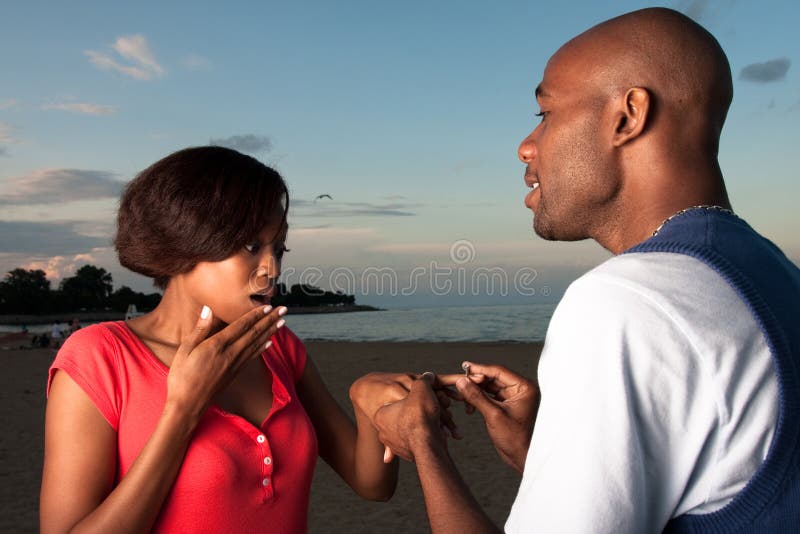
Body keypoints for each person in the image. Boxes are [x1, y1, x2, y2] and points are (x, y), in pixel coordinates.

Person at [372, 7, 800, 533]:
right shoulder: (772, 273)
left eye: (544, 115)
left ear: (628, 115)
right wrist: (538, 450)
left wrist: (423, 442)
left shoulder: (626, 303)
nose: (526, 147)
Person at [40, 146, 427, 533]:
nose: (271, 269)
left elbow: (371, 485)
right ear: (186, 241)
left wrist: (369, 405)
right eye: (250, 247)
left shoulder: (279, 347)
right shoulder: (100, 358)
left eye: (279, 248)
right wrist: (184, 409)